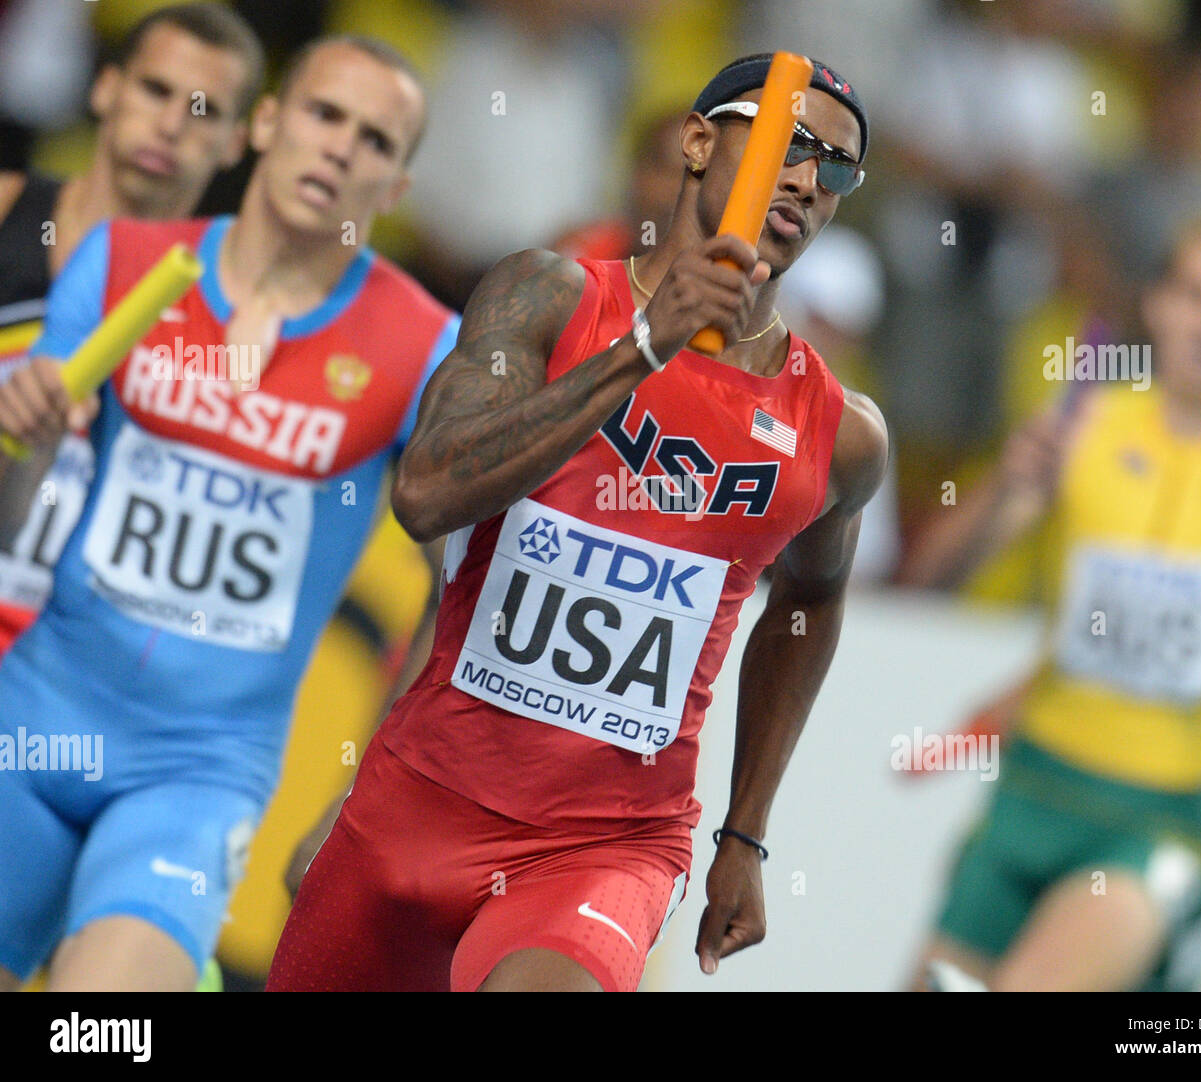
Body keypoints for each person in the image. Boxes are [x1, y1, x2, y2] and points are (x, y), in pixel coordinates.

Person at [269, 53, 889, 993]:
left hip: (611, 842)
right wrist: (644, 350)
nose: (806, 178)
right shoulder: (548, 297)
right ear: (694, 140)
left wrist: (746, 833)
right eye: (788, 143)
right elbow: (427, 496)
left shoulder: (836, 433)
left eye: (835, 169)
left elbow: (812, 600)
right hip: (421, 796)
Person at [0, 34, 458, 992]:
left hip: (197, 773)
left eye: (375, 140)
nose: (339, 148)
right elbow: (13, 517)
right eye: (324, 114)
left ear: (398, 186)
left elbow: (462, 582)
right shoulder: (127, 262)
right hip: (34, 717)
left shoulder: (422, 345)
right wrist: (23, 439)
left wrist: (368, 791)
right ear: (264, 123)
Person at [901, 222, 1201, 991]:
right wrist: (1002, 494)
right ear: (1157, 304)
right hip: (1032, 789)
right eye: (1195, 296)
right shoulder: (1083, 427)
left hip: (1164, 818)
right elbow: (929, 582)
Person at [0, 2, 264, 652]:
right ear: (106, 87)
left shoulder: (237, 327)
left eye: (203, 109)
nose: (172, 124)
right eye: (155, 90)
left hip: (73, 665)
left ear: (237, 140)